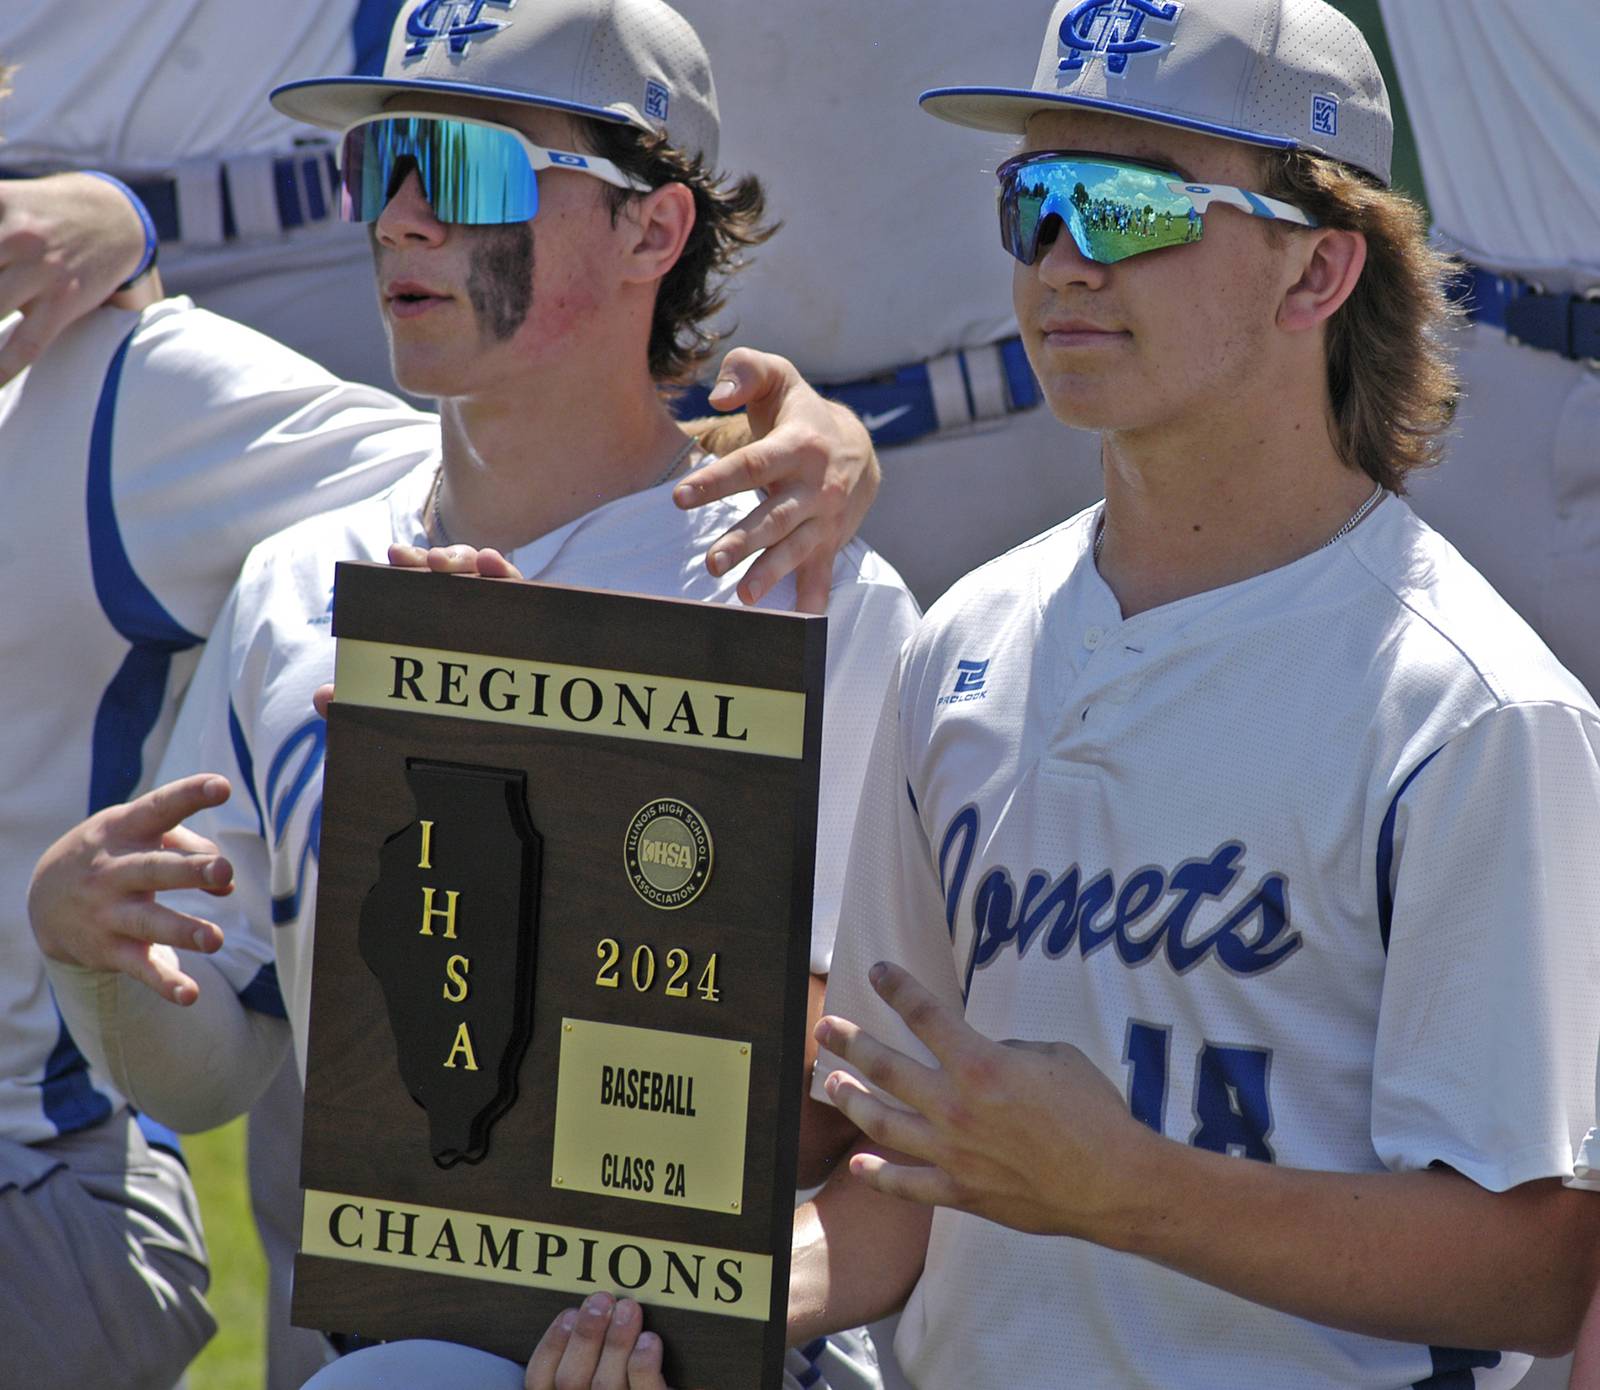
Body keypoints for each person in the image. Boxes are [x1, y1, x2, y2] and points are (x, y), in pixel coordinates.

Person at [521, 1, 1600, 1386]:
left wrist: (1128, 1186)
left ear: (1319, 270)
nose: (1061, 262)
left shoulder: (1474, 712)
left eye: (1126, 205)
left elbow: (1534, 1266)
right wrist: (668, 1307)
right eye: (1033, 202)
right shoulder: (968, 637)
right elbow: (894, 1174)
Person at [27, 4, 918, 1389]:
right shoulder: (295, 585)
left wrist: (543, 801)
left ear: (652, 232)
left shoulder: (806, 590)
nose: (397, 220)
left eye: (463, 170)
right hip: (410, 1345)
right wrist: (94, 954)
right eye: (376, 164)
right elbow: (216, 1067)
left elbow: (859, 1130)